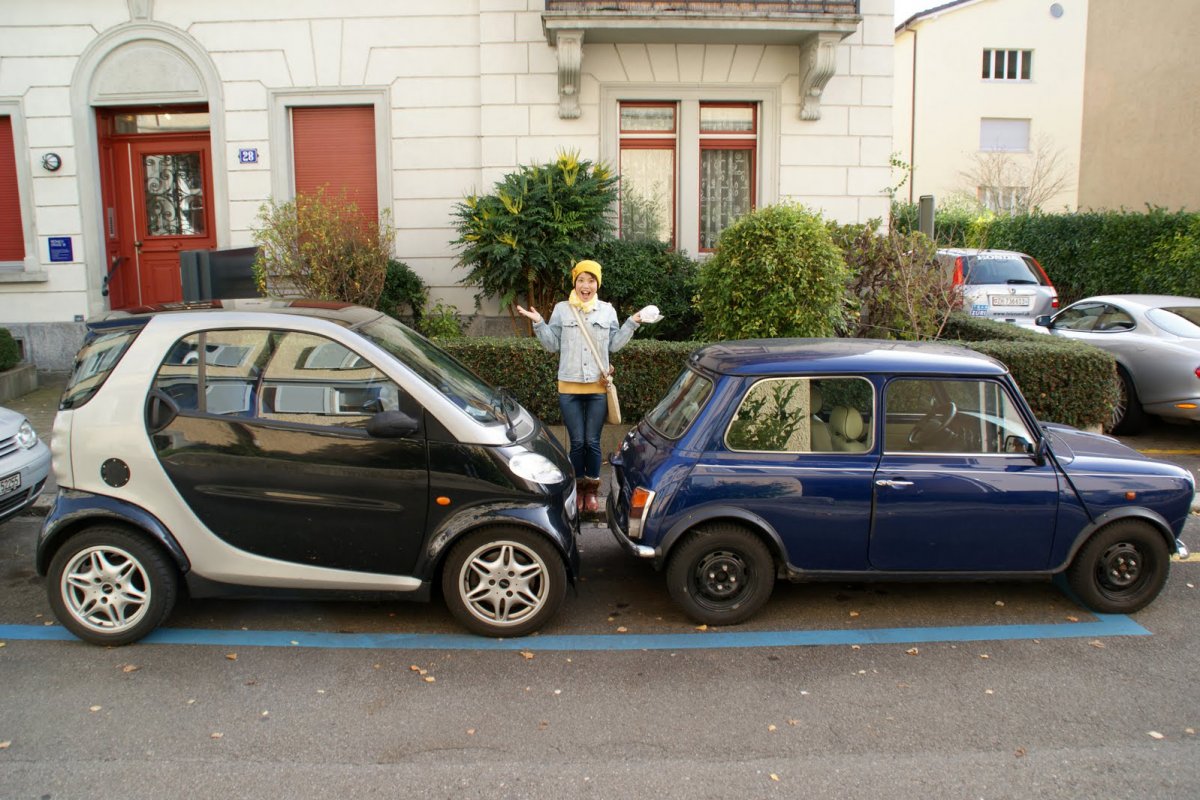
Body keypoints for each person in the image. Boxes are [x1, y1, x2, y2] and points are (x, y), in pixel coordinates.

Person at [517, 260, 643, 514]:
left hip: (597, 386)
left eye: (591, 280)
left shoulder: (607, 311)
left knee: (592, 442)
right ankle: (577, 489)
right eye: (581, 280)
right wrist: (539, 323)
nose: (586, 286)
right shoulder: (562, 310)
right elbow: (553, 345)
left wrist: (632, 322)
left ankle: (592, 491)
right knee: (576, 442)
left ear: (598, 283)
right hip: (569, 386)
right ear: (574, 282)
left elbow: (614, 345)